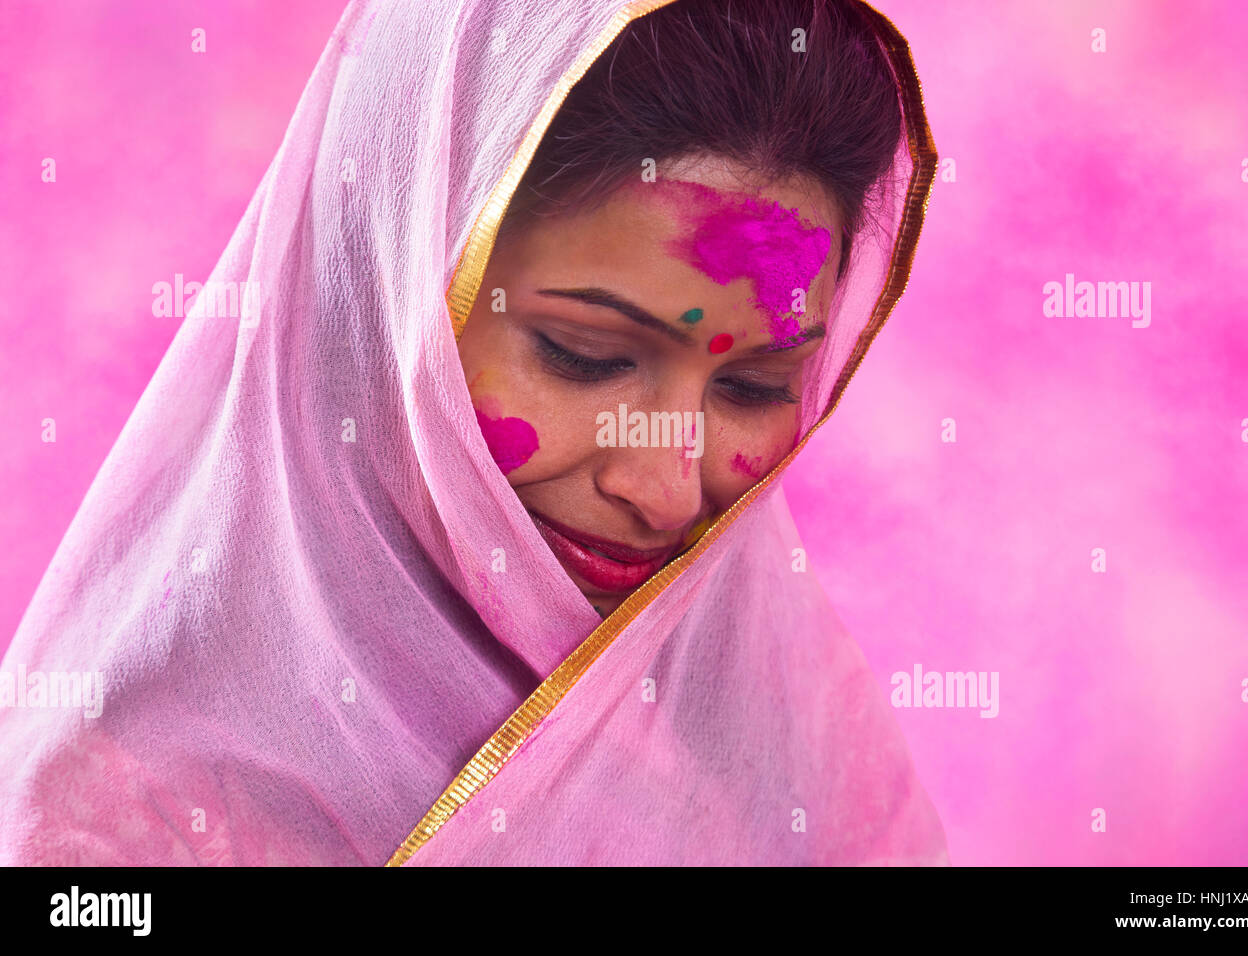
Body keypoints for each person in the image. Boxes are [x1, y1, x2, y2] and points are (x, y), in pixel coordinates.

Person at [0, 0, 946, 865]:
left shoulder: (794, 754)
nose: (666, 487)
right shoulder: (124, 824)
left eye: (753, 385)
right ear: (379, 294)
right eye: (582, 353)